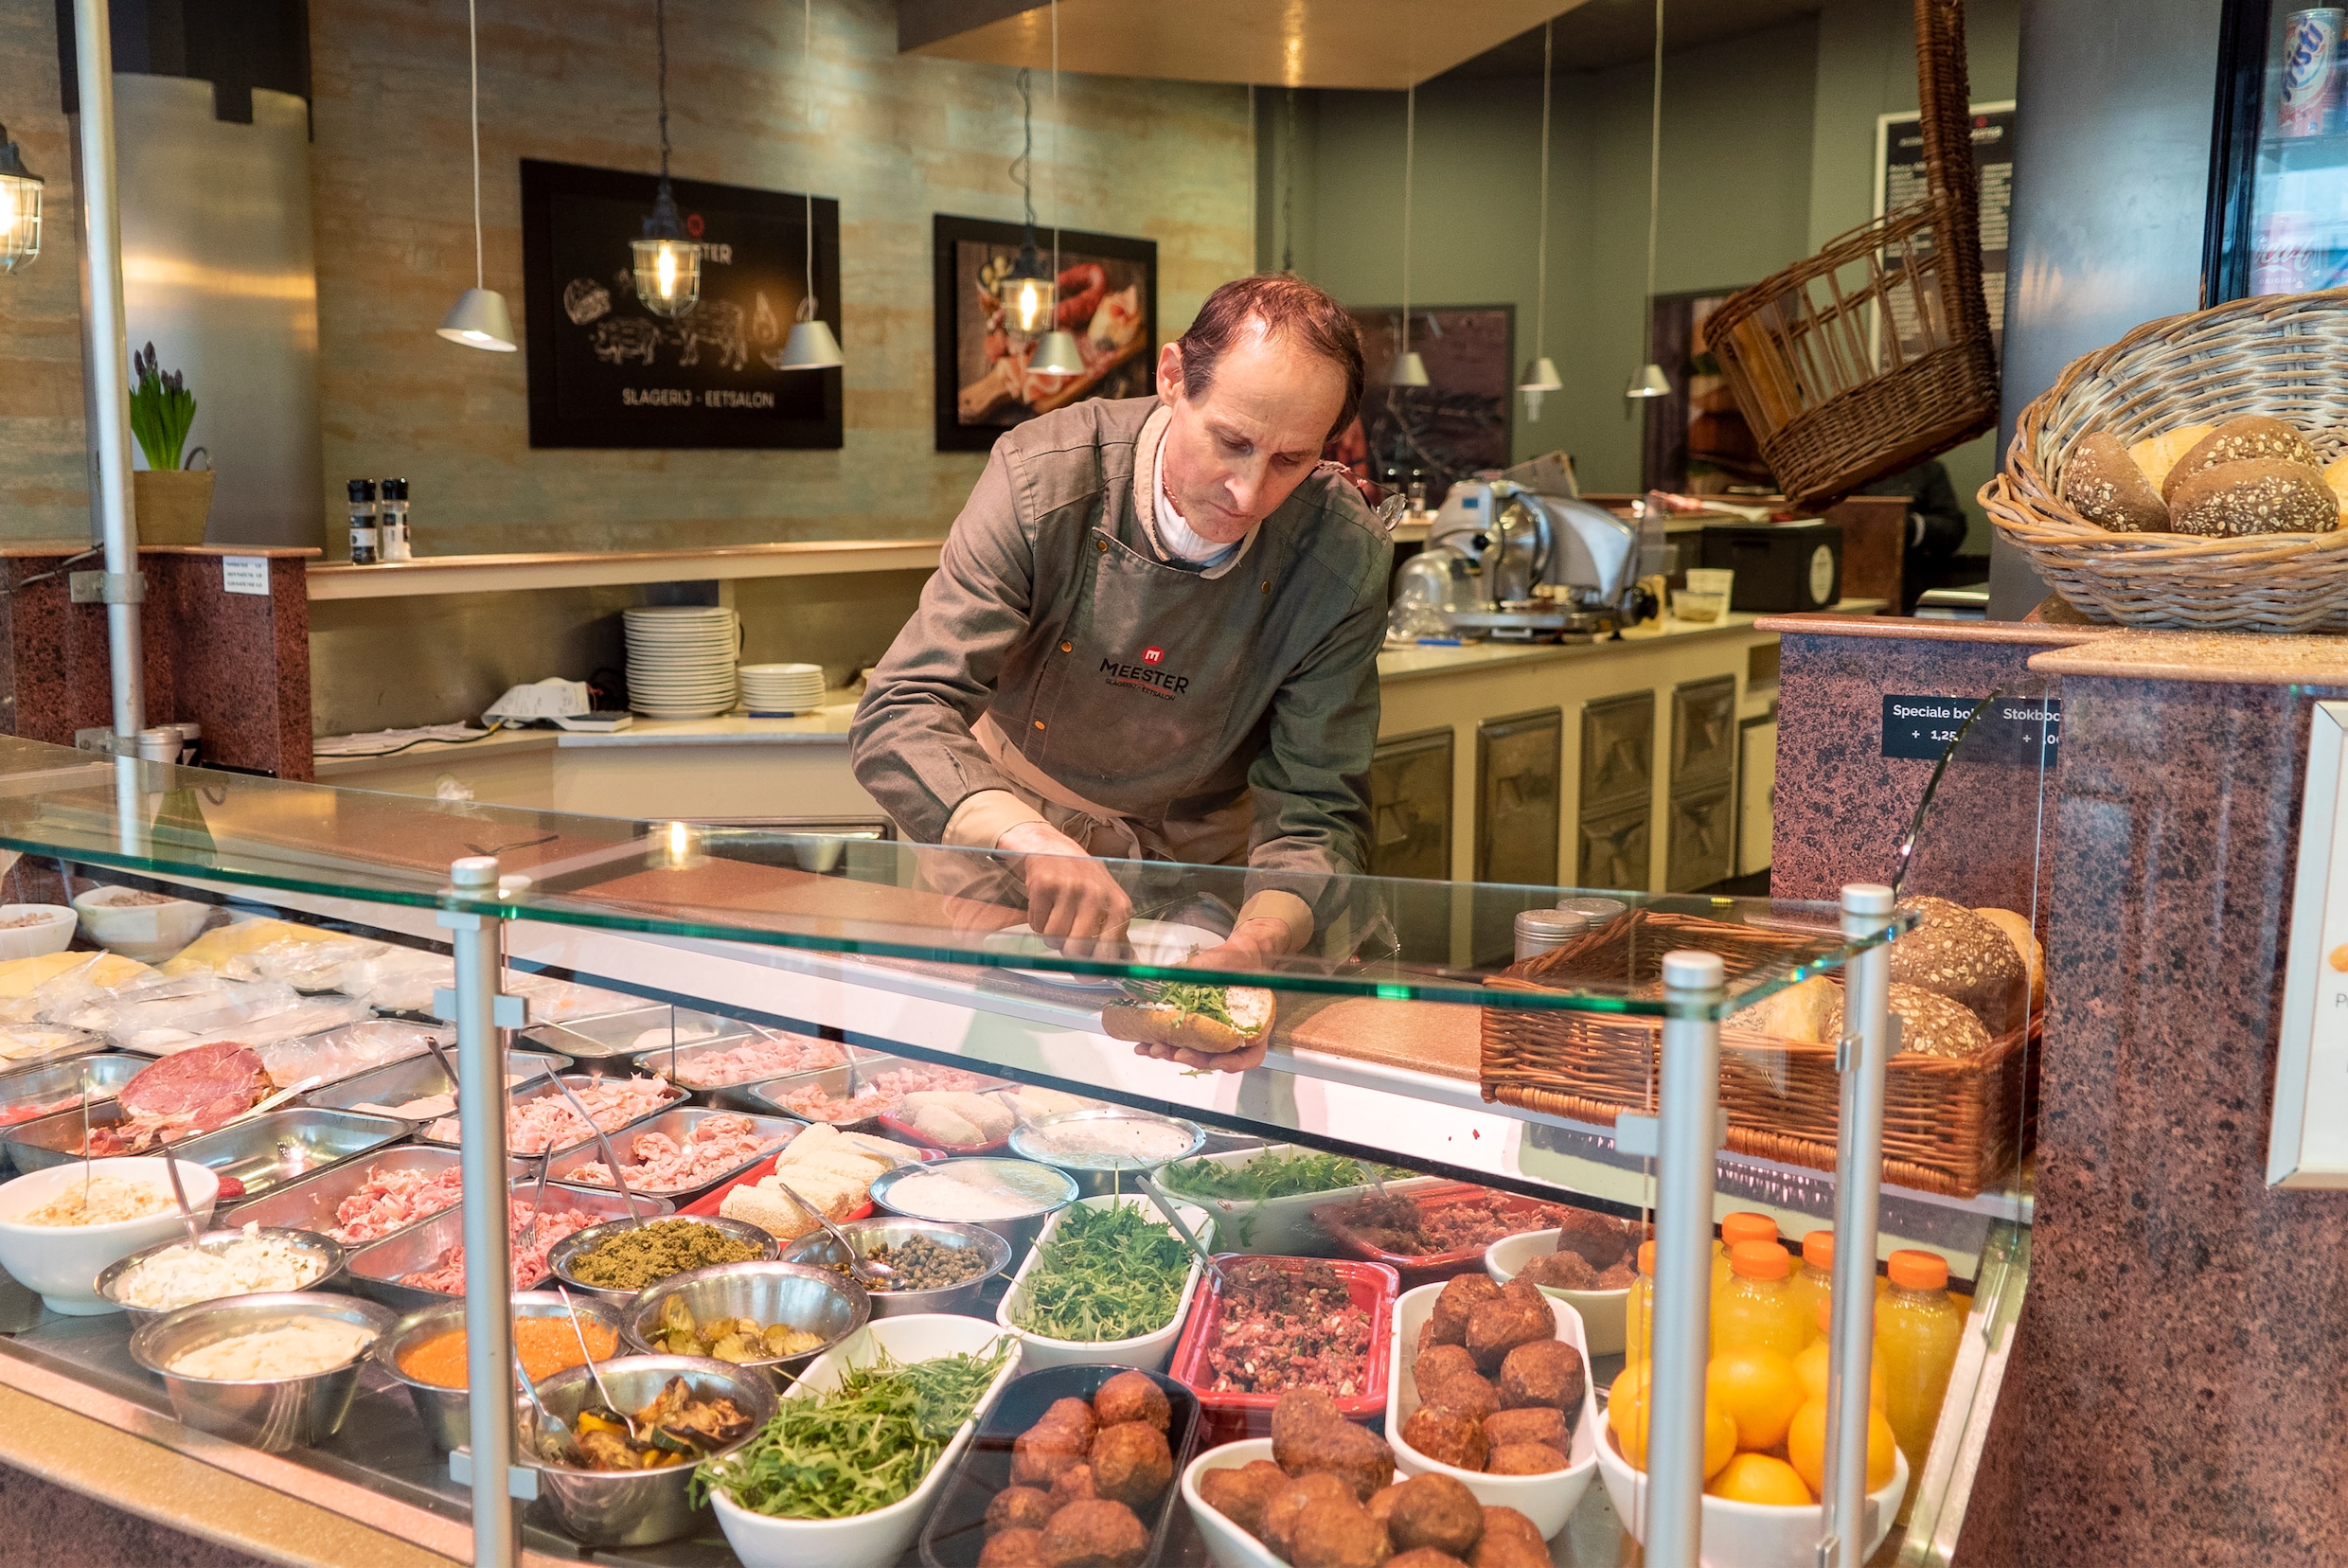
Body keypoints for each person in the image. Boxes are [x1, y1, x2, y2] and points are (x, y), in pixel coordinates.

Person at [850, 275, 1392, 1070]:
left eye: (1291, 460)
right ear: (1171, 377)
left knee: (1190, 1107)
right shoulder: (1043, 479)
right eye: (1232, 442)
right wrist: (1027, 839)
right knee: (997, 1077)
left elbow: (1316, 807)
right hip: (1008, 846)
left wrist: (1260, 943)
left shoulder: (1343, 559)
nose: (1248, 492)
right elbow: (900, 710)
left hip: (1204, 870)